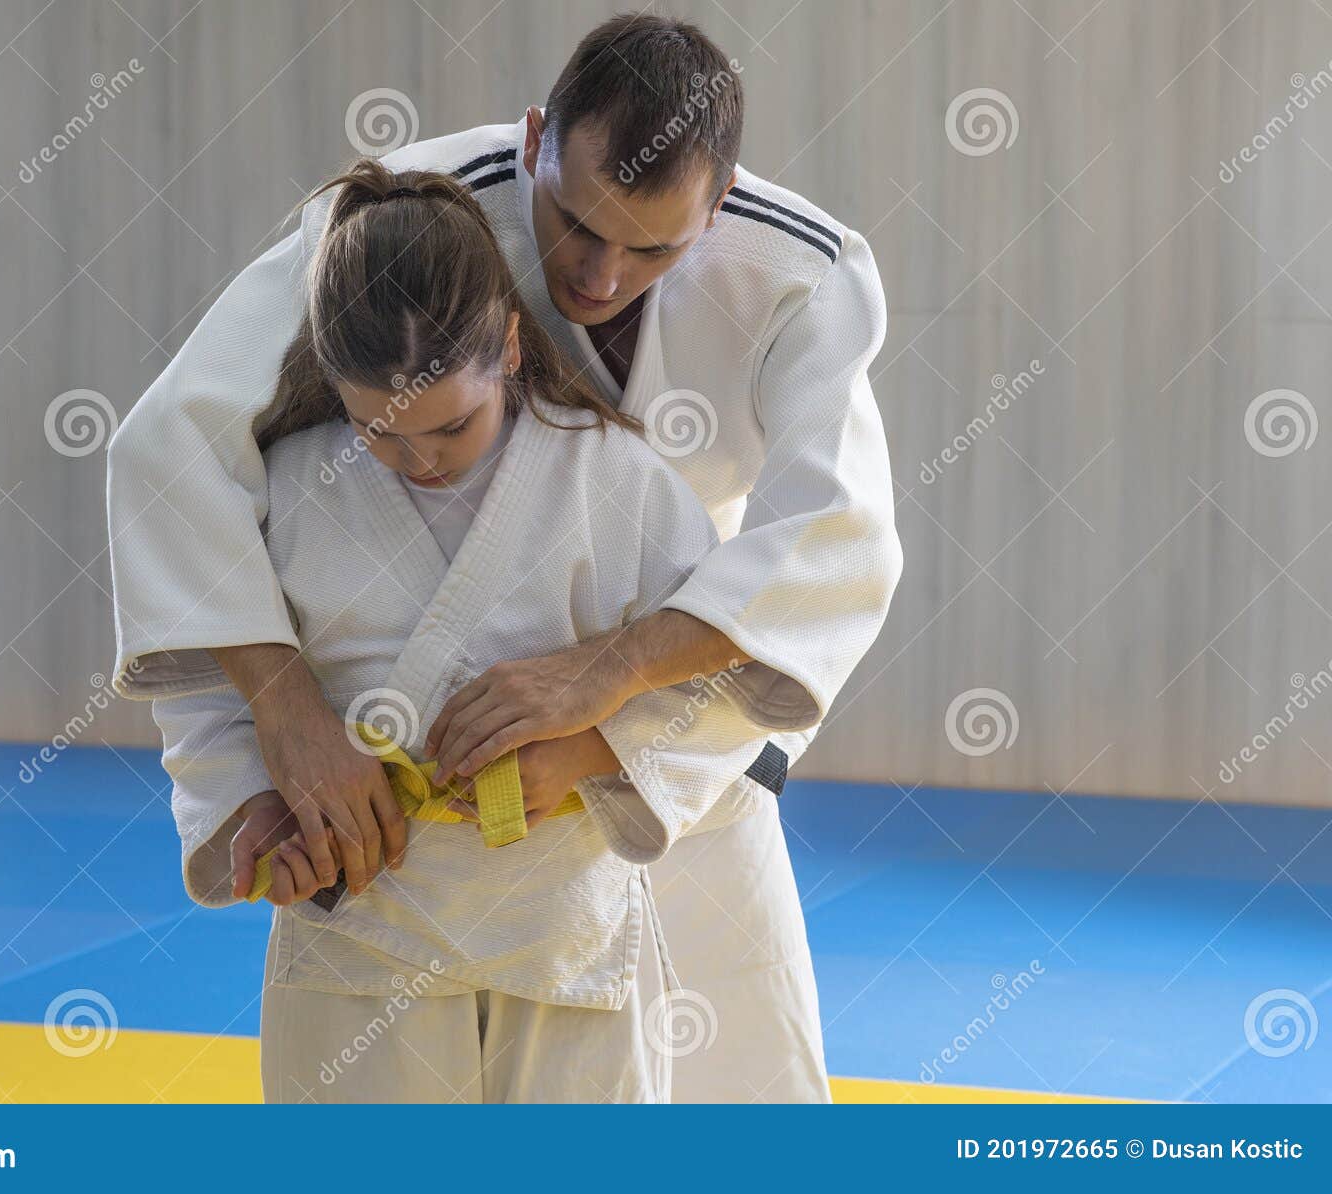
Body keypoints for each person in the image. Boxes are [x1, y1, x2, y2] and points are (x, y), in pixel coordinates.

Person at [106, 13, 902, 1102]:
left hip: (666, 688)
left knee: (746, 1073)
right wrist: (283, 723)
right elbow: (172, 446)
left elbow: (833, 539)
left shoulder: (801, 269)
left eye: (653, 248)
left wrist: (609, 679)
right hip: (393, 763)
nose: (597, 272)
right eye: (572, 222)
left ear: (718, 206)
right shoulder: (397, 220)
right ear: (535, 138)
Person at [157, 158, 783, 1102]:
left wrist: (590, 755)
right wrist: (259, 803)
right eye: (381, 432)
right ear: (331, 379)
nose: (417, 459)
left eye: (450, 428)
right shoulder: (291, 486)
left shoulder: (613, 480)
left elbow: (724, 680)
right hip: (360, 928)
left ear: (513, 352)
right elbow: (222, 675)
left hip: (562, 931)